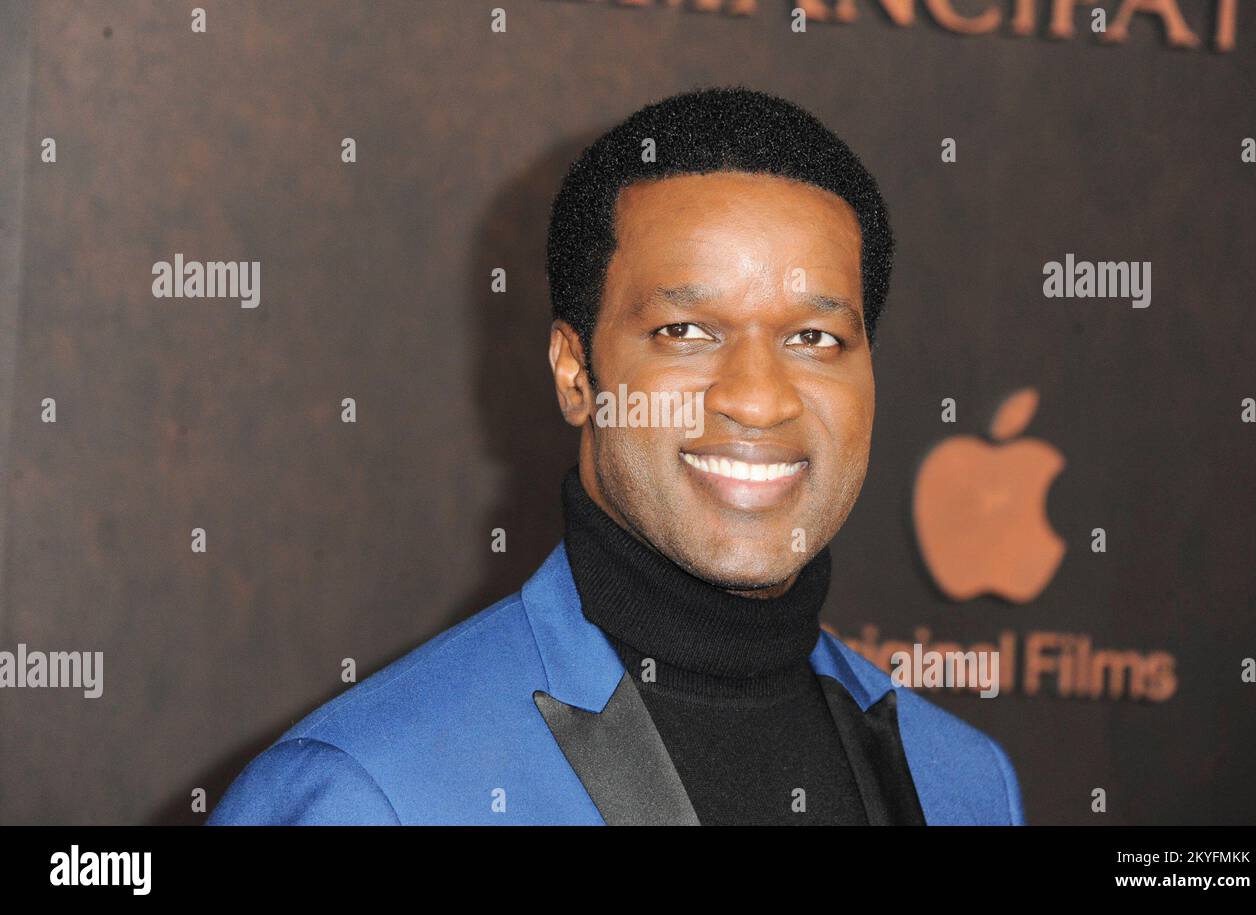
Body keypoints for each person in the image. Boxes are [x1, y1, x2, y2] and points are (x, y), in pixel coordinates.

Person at [209, 86, 1025, 826]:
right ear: (576, 375)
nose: (758, 396)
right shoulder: (369, 790)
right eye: (686, 333)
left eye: (814, 338)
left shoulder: (965, 781)